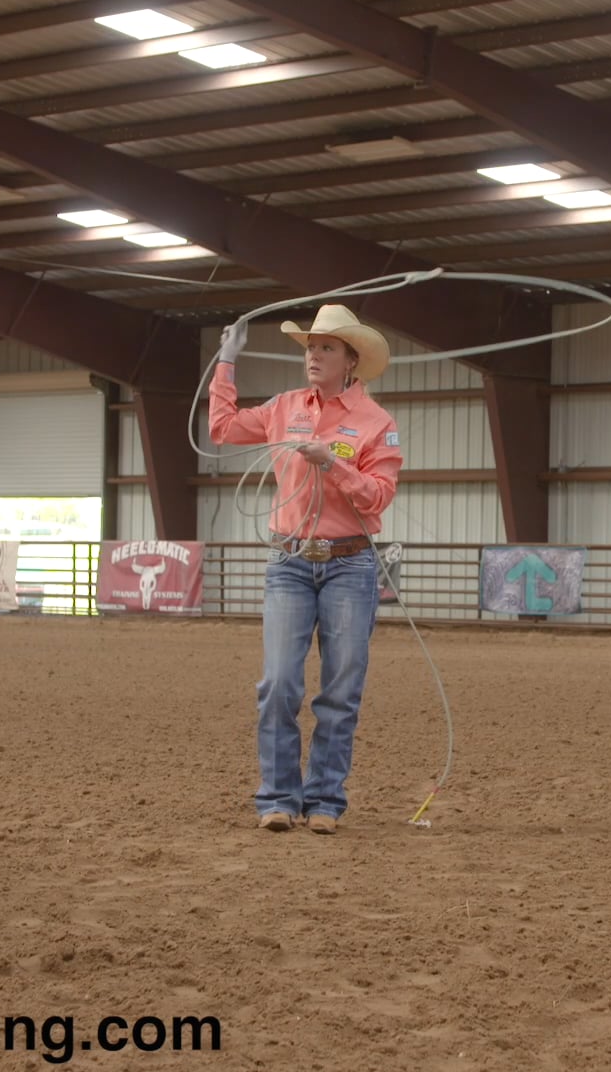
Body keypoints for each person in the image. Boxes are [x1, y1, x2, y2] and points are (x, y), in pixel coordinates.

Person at [209, 303, 403, 834]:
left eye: (326, 348)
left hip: (350, 564)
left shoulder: (377, 425)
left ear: (350, 360)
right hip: (289, 561)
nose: (313, 356)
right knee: (278, 683)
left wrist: (332, 462)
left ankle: (324, 802)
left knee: (340, 690)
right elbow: (223, 428)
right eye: (310, 348)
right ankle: (277, 797)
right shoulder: (283, 407)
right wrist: (226, 362)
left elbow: (377, 499)